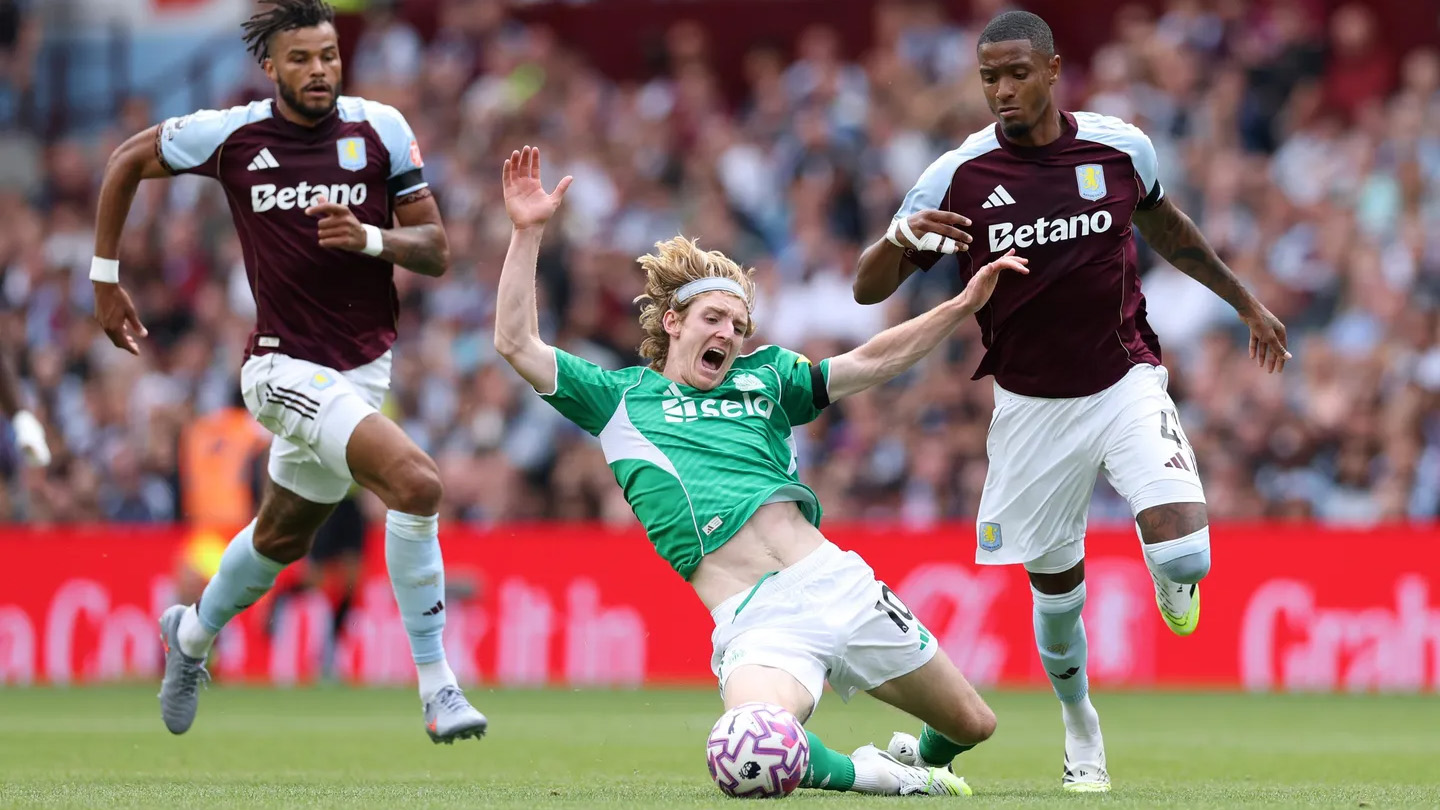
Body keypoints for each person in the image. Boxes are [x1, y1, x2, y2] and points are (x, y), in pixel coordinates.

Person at [495, 145, 1025, 796]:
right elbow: (517, 343)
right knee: (743, 751)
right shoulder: (620, 398)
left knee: (974, 723)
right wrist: (527, 233)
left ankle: (920, 757)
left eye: (739, 324)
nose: (730, 333)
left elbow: (870, 362)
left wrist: (959, 305)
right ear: (672, 322)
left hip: (835, 581)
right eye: (714, 318)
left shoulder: (766, 375)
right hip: (757, 619)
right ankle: (878, 779)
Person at [853, 10, 1292, 793]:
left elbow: (1168, 227)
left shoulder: (1120, 147)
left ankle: (1171, 571)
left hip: (1124, 379)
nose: (1003, 91)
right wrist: (900, 240)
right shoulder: (958, 174)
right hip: (1029, 409)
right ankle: (1080, 721)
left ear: (1054, 70)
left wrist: (1245, 302)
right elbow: (866, 287)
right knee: (1057, 595)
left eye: (1018, 73)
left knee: (1188, 553)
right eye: (989, 77)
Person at [90, 0, 486, 743]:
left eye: (329, 56)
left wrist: (370, 238)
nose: (319, 71)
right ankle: (439, 688)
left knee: (281, 537)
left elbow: (436, 248)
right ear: (269, 67)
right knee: (418, 484)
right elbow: (125, 162)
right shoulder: (234, 134)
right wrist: (104, 278)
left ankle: (191, 639)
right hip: (278, 368)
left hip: (364, 369)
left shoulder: (382, 130)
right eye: (301, 59)